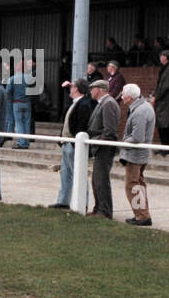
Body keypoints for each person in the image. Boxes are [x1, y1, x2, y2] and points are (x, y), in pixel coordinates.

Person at [51, 78, 93, 209]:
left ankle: (83, 204)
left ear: (77, 89)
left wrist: (76, 143)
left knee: (78, 174)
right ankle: (63, 201)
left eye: (72, 87)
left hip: (73, 144)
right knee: (65, 174)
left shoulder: (84, 104)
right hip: (66, 143)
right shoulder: (75, 102)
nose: (70, 88)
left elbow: (81, 126)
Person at [120, 83, 154, 226]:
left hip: (136, 155)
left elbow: (137, 137)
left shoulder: (140, 111)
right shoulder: (144, 107)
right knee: (138, 184)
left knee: (132, 185)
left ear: (129, 97)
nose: (121, 96)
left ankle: (142, 216)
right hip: (141, 154)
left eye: (123, 94)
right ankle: (142, 214)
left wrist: (122, 143)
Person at [85, 79, 120, 219]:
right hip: (100, 146)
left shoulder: (109, 103)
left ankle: (104, 211)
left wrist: (96, 142)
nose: (90, 92)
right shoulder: (104, 103)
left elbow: (109, 130)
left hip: (105, 148)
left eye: (92, 89)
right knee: (96, 180)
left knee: (101, 180)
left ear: (99, 89)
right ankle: (98, 208)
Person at [151, 49, 169, 155]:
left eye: (162, 56)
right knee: (162, 125)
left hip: (166, 102)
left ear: (166, 57)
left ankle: (166, 148)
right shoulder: (165, 69)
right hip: (163, 102)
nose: (160, 58)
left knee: (165, 126)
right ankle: (164, 147)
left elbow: (165, 86)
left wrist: (156, 97)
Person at [5, 59, 34, 149]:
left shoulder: (12, 78)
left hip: (17, 103)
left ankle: (21, 143)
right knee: (27, 123)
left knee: (19, 123)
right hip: (27, 103)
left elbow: (7, 92)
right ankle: (26, 142)